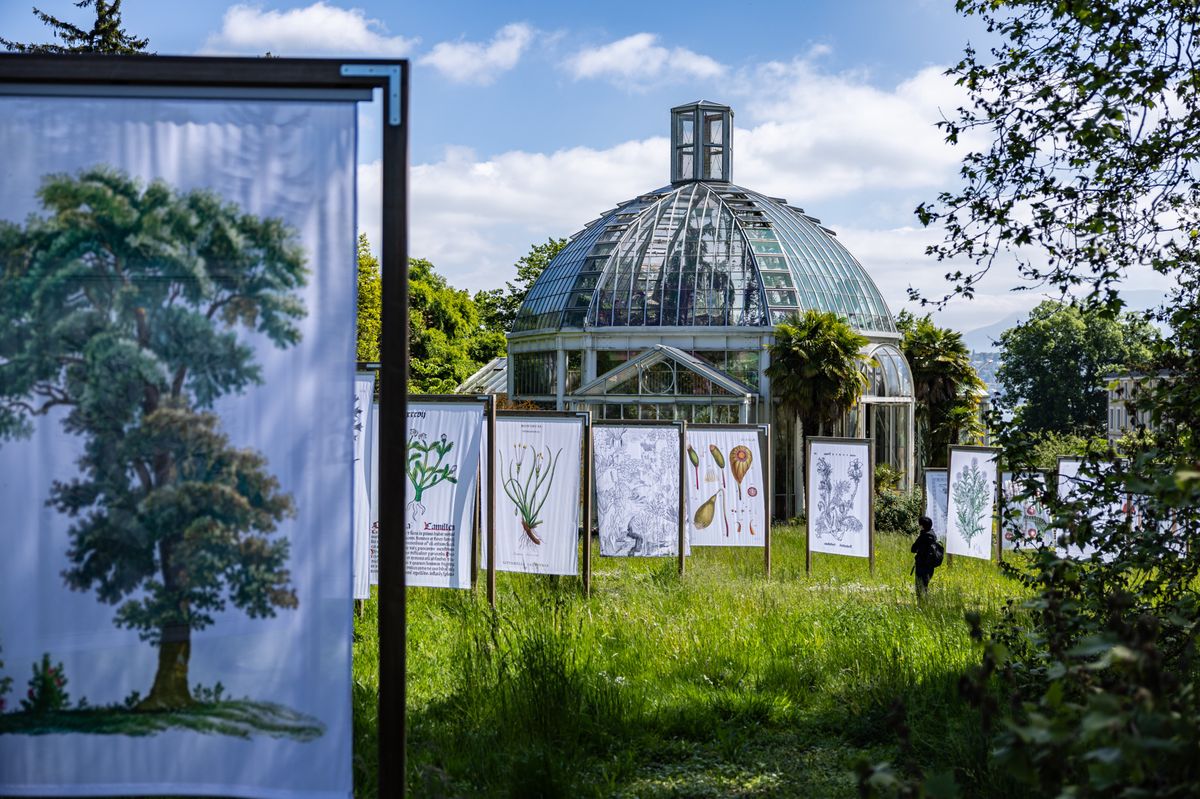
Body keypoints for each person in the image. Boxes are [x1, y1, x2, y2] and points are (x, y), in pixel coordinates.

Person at [910, 516, 943, 598]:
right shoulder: (933, 535)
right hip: (930, 565)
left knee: (919, 588)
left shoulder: (923, 537)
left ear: (922, 526)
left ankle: (921, 606)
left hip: (921, 565)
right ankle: (925, 604)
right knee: (925, 586)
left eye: (919, 524)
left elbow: (913, 549)